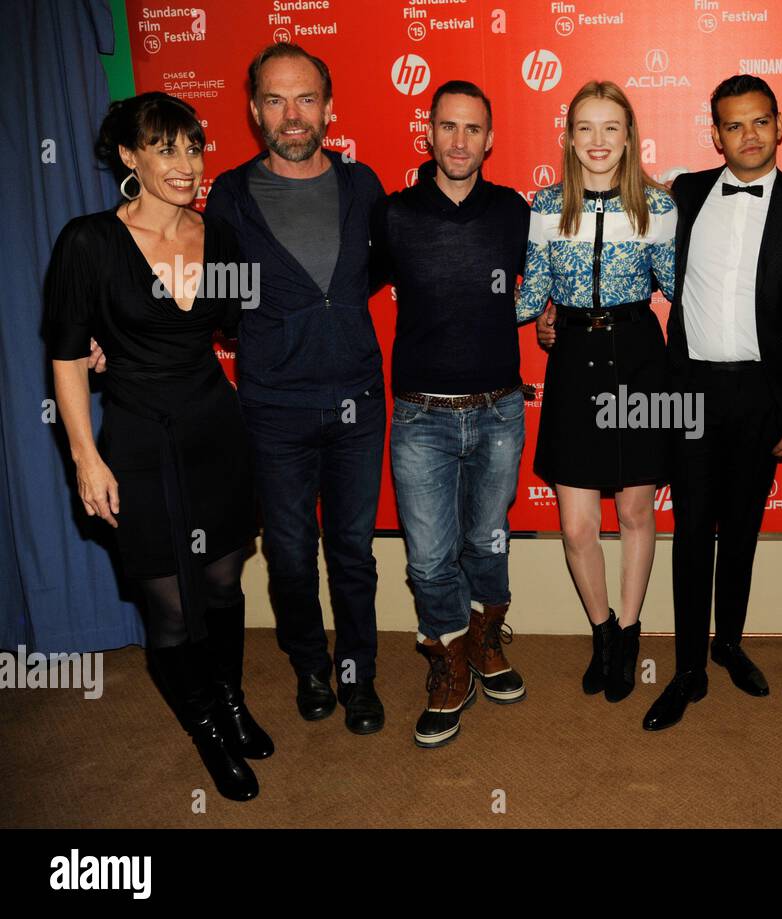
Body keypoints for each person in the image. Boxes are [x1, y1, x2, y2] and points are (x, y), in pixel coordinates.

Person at [45, 92, 265, 801]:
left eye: (192, 146)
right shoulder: (88, 241)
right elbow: (69, 355)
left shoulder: (220, 236)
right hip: (138, 439)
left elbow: (234, 322)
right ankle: (204, 726)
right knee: (169, 605)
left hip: (214, 428)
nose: (184, 163)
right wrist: (85, 456)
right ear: (129, 158)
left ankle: (230, 700)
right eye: (164, 148)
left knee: (225, 582)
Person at [640, 74, 782, 732]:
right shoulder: (686, 194)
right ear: (715, 133)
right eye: (733, 124)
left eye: (759, 122)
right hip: (690, 387)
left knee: (743, 527)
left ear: (779, 126)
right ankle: (688, 666)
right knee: (692, 529)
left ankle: (730, 643)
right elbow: (622, 252)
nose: (747, 135)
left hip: (763, 393)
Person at [203, 44, 389, 734]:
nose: (292, 114)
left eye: (306, 98)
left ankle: (356, 673)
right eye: (276, 100)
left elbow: (372, 275)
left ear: (329, 108)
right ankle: (310, 664)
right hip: (273, 407)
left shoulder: (362, 185)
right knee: (286, 551)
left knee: (352, 550)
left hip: (358, 402)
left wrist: (327, 314)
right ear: (255, 112)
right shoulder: (227, 195)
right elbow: (215, 297)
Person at [370, 80, 530, 749]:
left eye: (473, 129)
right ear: (428, 134)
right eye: (448, 127)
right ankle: (449, 662)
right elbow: (341, 288)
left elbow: (548, 283)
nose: (460, 141)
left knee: (487, 542)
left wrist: (547, 317)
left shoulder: (514, 211)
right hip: (420, 416)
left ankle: (486, 637)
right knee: (432, 559)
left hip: (498, 410)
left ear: (489, 139)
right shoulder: (395, 213)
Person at [518, 81, 676, 704]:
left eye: (611, 128)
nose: (598, 141)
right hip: (575, 362)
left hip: (640, 357)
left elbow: (681, 285)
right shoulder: (546, 204)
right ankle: (602, 631)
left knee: (637, 511)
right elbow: (531, 297)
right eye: (586, 127)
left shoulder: (657, 208)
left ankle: (632, 632)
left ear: (629, 137)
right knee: (579, 525)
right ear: (569, 137)